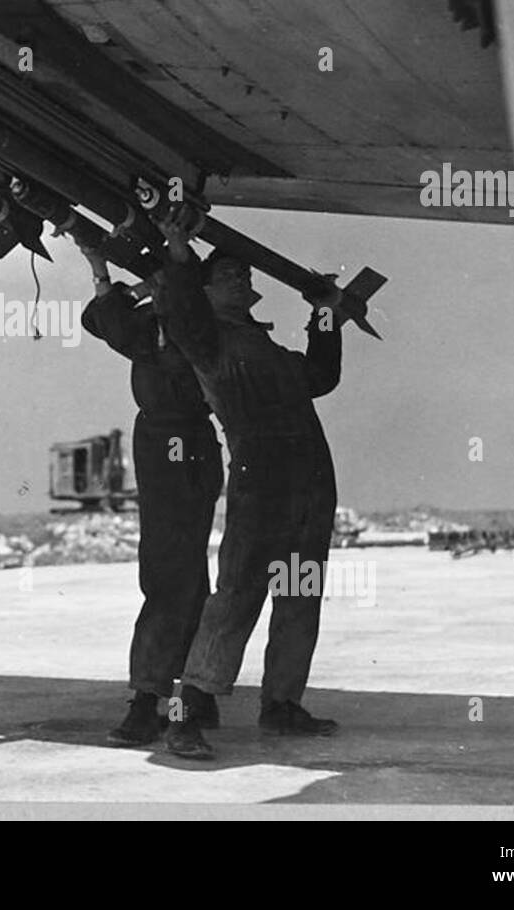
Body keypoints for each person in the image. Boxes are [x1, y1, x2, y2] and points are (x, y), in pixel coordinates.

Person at [154, 207, 345, 760]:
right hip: (261, 485)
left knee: (298, 598)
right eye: (229, 275)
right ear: (207, 292)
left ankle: (282, 706)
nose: (243, 279)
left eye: (246, 275)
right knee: (236, 596)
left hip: (310, 487)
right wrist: (180, 252)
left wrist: (325, 317)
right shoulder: (206, 341)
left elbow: (322, 376)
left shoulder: (271, 352)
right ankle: (186, 715)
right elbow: (179, 305)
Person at [74, 238, 224, 746]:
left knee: (168, 573)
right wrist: (131, 279)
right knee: (178, 573)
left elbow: (109, 322)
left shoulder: (183, 328)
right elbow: (97, 321)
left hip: (181, 446)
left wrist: (145, 275)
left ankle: (154, 700)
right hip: (167, 445)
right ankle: (184, 697)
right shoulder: (160, 325)